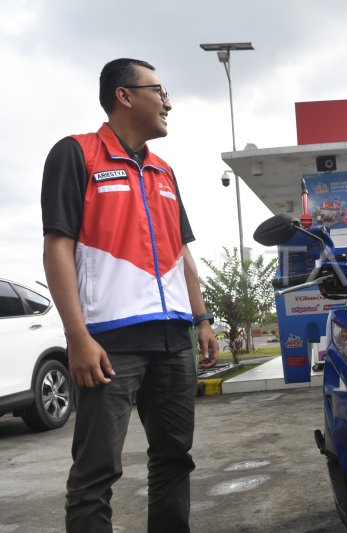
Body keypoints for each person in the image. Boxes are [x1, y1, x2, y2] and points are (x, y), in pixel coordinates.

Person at [41, 58, 219, 533]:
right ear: (124, 95)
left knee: (174, 459)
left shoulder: (164, 171)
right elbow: (57, 246)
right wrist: (76, 336)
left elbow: (182, 254)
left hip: (172, 341)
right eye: (159, 91)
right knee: (96, 472)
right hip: (109, 343)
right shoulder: (76, 154)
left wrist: (201, 319)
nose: (168, 102)